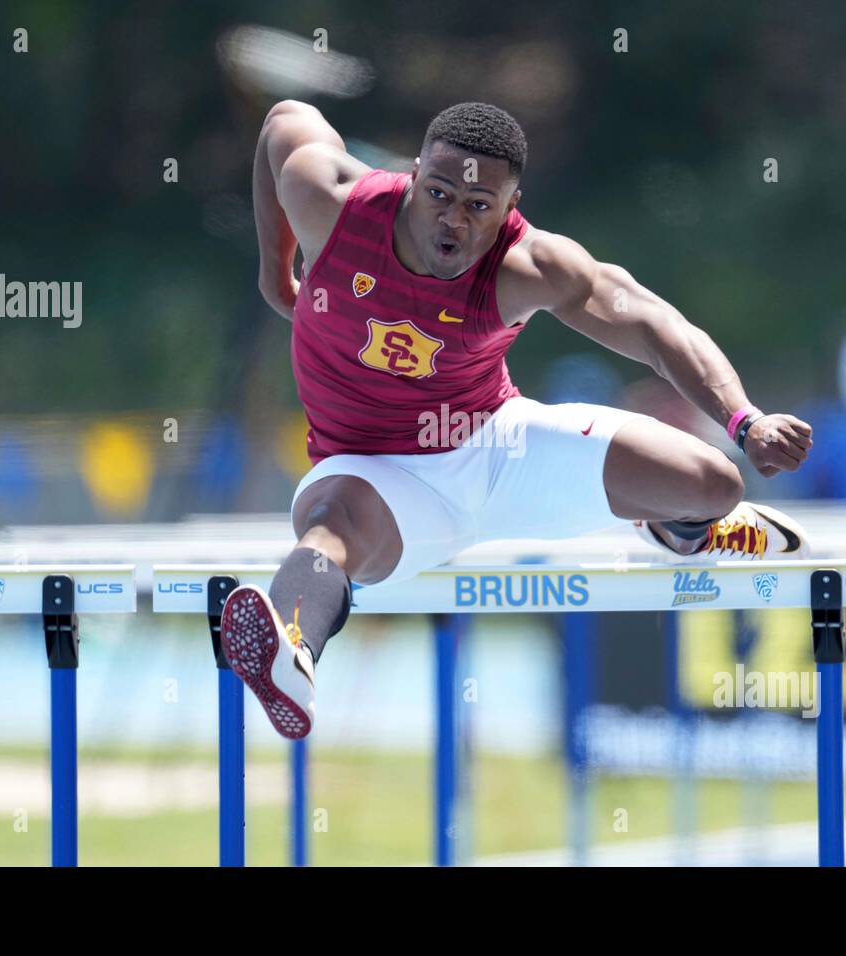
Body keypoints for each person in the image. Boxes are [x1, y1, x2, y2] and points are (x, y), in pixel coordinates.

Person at [227, 100, 814, 738]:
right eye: (439, 193)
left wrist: (744, 420)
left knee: (714, 484)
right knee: (331, 524)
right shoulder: (332, 205)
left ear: (511, 205)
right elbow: (283, 119)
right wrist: (272, 272)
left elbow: (652, 323)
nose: (452, 220)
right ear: (415, 172)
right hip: (375, 477)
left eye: (479, 205)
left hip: (498, 444)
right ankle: (292, 650)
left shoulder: (529, 265)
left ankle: (684, 534)